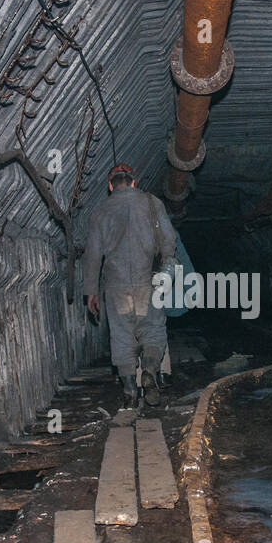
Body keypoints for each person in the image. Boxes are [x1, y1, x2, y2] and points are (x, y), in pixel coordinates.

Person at [83, 164, 177, 409]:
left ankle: (128, 389)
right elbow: (168, 238)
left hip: (117, 286)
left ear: (110, 185)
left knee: (123, 336)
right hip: (149, 281)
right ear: (134, 182)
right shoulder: (151, 203)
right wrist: (167, 265)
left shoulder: (100, 211)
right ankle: (149, 370)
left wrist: (91, 291)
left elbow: (92, 255)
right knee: (153, 330)